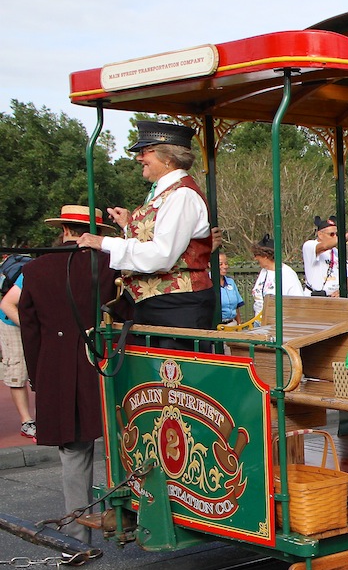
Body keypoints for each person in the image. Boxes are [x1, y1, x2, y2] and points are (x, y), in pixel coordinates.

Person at [15, 205, 116, 545]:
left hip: (58, 368)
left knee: (74, 453)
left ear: (63, 230)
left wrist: (37, 373)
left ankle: (77, 536)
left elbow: (29, 328)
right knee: (127, 445)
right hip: (107, 363)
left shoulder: (36, 268)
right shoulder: (109, 264)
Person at [76, 120, 213, 350]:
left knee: (177, 381)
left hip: (177, 307)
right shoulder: (165, 193)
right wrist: (129, 225)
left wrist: (104, 242)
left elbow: (162, 254)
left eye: (145, 151)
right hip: (158, 305)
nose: (140, 158)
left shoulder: (181, 196)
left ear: (167, 157)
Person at [0, 263, 35, 439]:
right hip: (12, 320)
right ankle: (26, 421)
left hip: (34, 322)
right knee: (17, 369)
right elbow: (7, 304)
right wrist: (30, 329)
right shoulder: (33, 274)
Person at [303, 215, 348, 296]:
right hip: (315, 298)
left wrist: (340, 292)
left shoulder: (337, 252)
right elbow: (324, 246)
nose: (335, 237)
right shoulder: (310, 246)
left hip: (334, 299)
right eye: (331, 234)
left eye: (336, 234)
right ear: (320, 234)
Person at [250, 236, 306, 322]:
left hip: (277, 324)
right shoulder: (264, 271)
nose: (255, 258)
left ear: (265, 256)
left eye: (256, 255)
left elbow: (298, 302)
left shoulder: (287, 274)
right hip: (259, 322)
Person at [218, 256, 244, 325]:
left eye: (226, 263)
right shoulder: (208, 283)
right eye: (220, 264)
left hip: (232, 324)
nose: (225, 266)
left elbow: (236, 307)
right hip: (216, 327)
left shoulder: (231, 282)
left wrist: (239, 325)